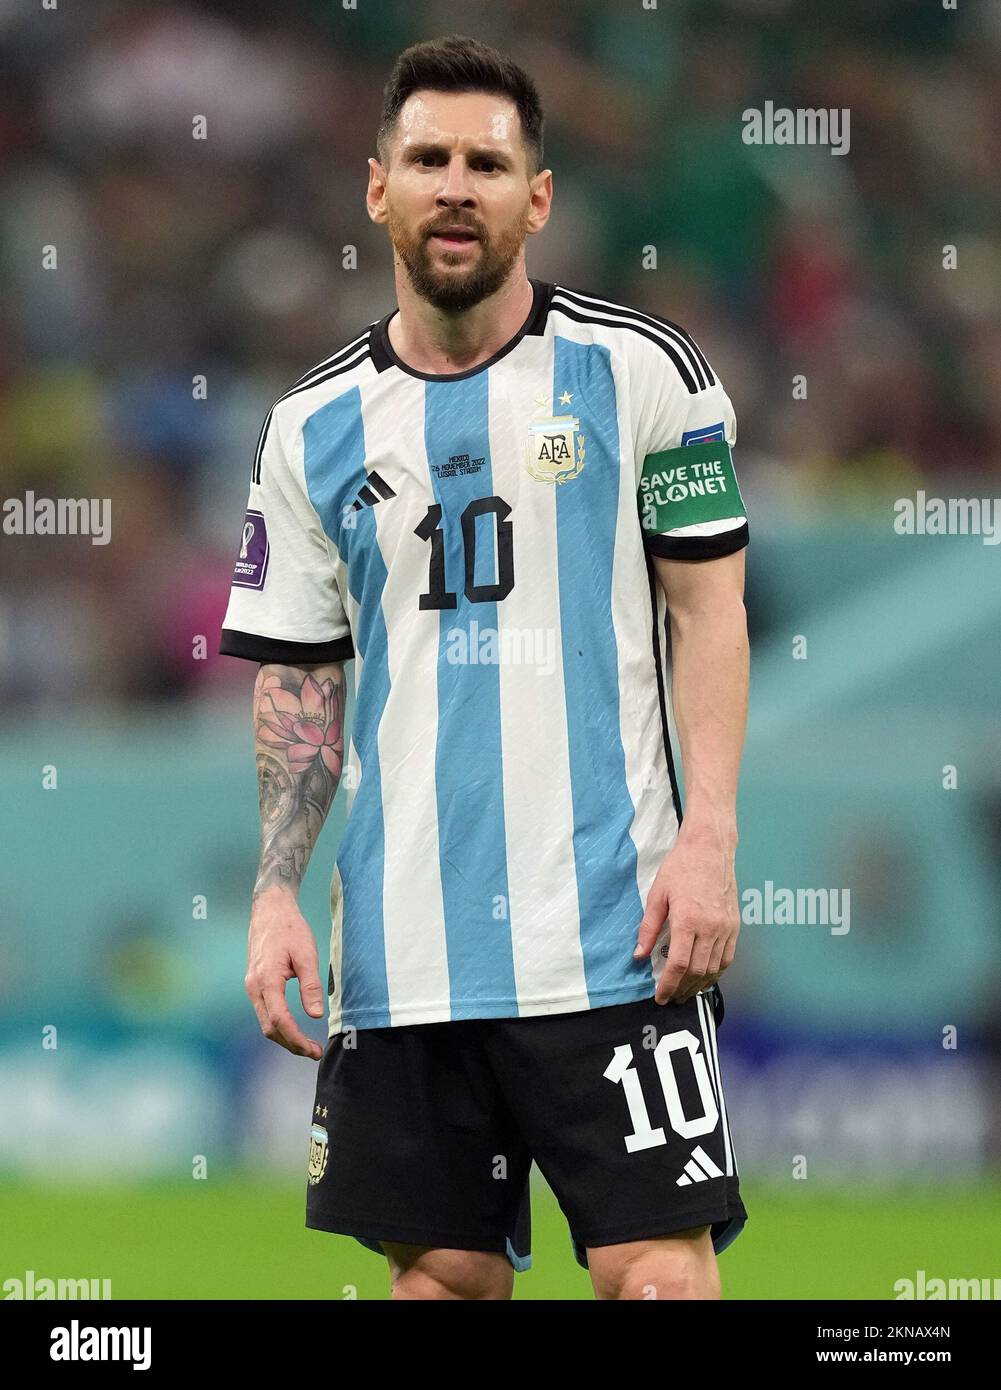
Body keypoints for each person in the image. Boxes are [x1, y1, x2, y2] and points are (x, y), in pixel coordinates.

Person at [219, 33, 750, 1301]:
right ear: (377, 187)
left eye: (486, 164)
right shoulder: (309, 427)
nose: (455, 187)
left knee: (657, 1278)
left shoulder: (643, 373)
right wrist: (274, 890)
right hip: (402, 947)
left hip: (613, 929)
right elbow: (300, 678)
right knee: (440, 1284)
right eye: (428, 160)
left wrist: (709, 838)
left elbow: (708, 614)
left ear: (537, 197)